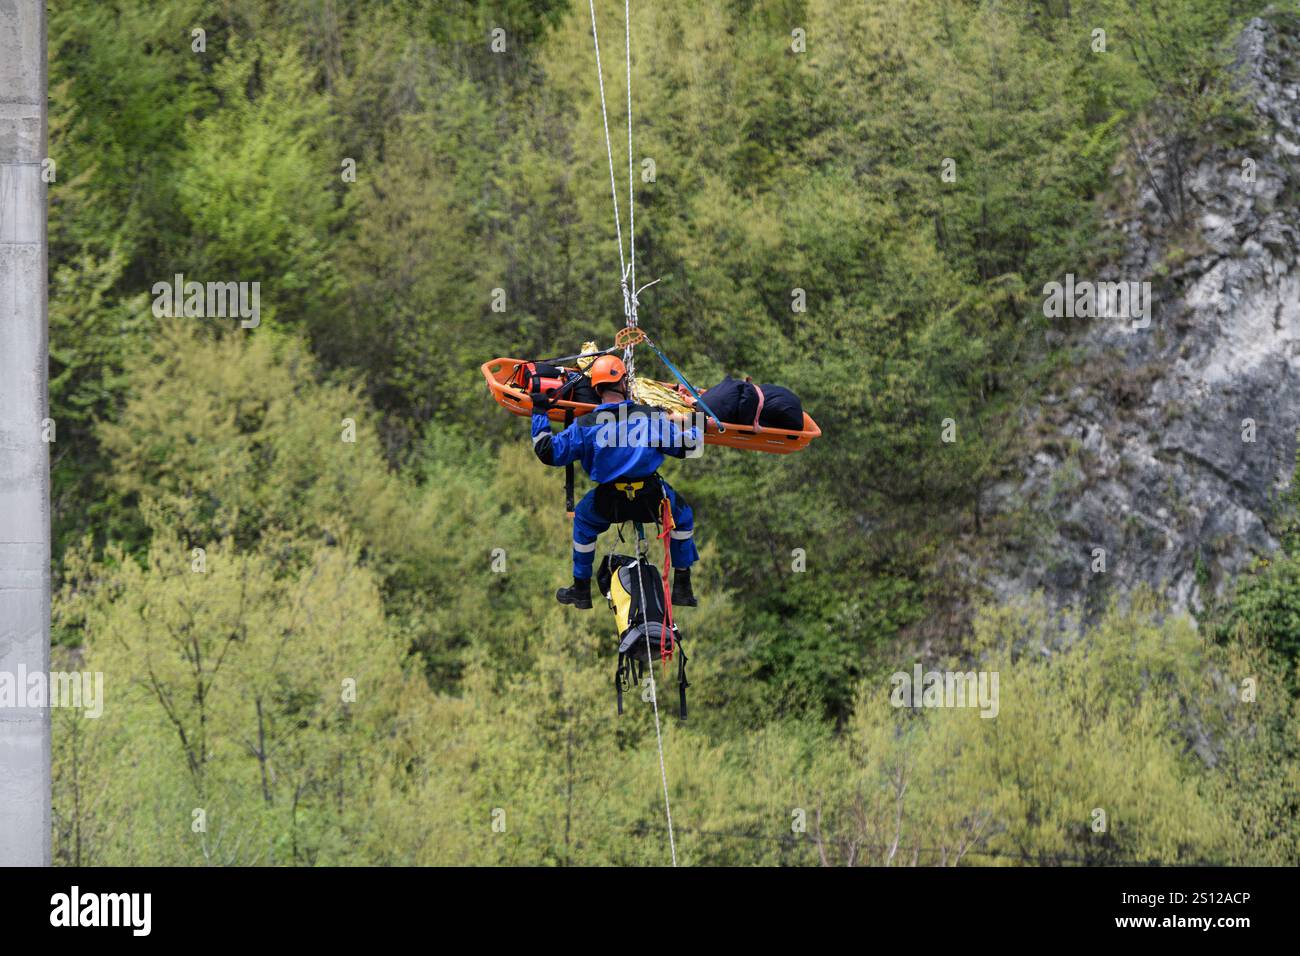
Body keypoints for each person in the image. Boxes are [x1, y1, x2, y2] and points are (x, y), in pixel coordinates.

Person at [530, 354, 699, 610]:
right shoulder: (650, 417)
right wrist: (698, 421)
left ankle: (581, 589)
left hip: (609, 501)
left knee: (584, 523)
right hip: (650, 498)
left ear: (596, 389)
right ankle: (683, 587)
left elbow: (547, 451)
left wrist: (539, 412)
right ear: (623, 384)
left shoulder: (585, 425)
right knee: (683, 517)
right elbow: (688, 446)